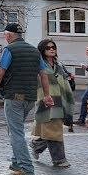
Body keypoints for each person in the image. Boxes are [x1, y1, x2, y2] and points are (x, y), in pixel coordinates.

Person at [0, 22, 50, 175]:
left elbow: (0, 71)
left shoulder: (9, 49)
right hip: (29, 97)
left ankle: (26, 167)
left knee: (16, 133)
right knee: (15, 129)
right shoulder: (34, 51)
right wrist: (47, 95)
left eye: (5, 35)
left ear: (8, 35)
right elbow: (43, 74)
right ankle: (15, 163)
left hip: (14, 96)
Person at [31, 39, 74, 168]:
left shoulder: (59, 65)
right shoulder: (39, 64)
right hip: (46, 100)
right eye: (48, 48)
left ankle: (37, 145)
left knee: (51, 129)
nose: (51, 49)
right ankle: (59, 159)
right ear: (42, 50)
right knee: (54, 130)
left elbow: (65, 80)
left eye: (53, 47)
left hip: (60, 100)